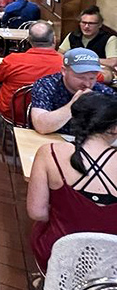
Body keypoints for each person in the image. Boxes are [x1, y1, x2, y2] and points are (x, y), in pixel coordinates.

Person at [27, 93, 117, 273]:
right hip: (110, 264)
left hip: (58, 254)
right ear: (114, 128)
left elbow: (37, 212)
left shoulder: (49, 152)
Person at [0, 21, 64, 135]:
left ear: (29, 40)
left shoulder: (12, 60)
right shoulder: (66, 65)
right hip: (51, 116)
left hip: (13, 112)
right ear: (54, 40)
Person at [30, 48, 117, 136]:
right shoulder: (46, 85)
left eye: (92, 78)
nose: (87, 84)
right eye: (81, 77)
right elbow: (41, 126)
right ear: (64, 71)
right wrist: (73, 105)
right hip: (51, 140)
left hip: (90, 144)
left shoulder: (104, 92)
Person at [59, 6, 117, 83]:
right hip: (76, 74)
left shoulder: (109, 38)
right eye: (84, 22)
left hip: (97, 76)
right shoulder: (73, 35)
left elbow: (112, 62)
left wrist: (84, 59)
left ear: (99, 25)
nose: (86, 27)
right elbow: (60, 54)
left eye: (91, 23)